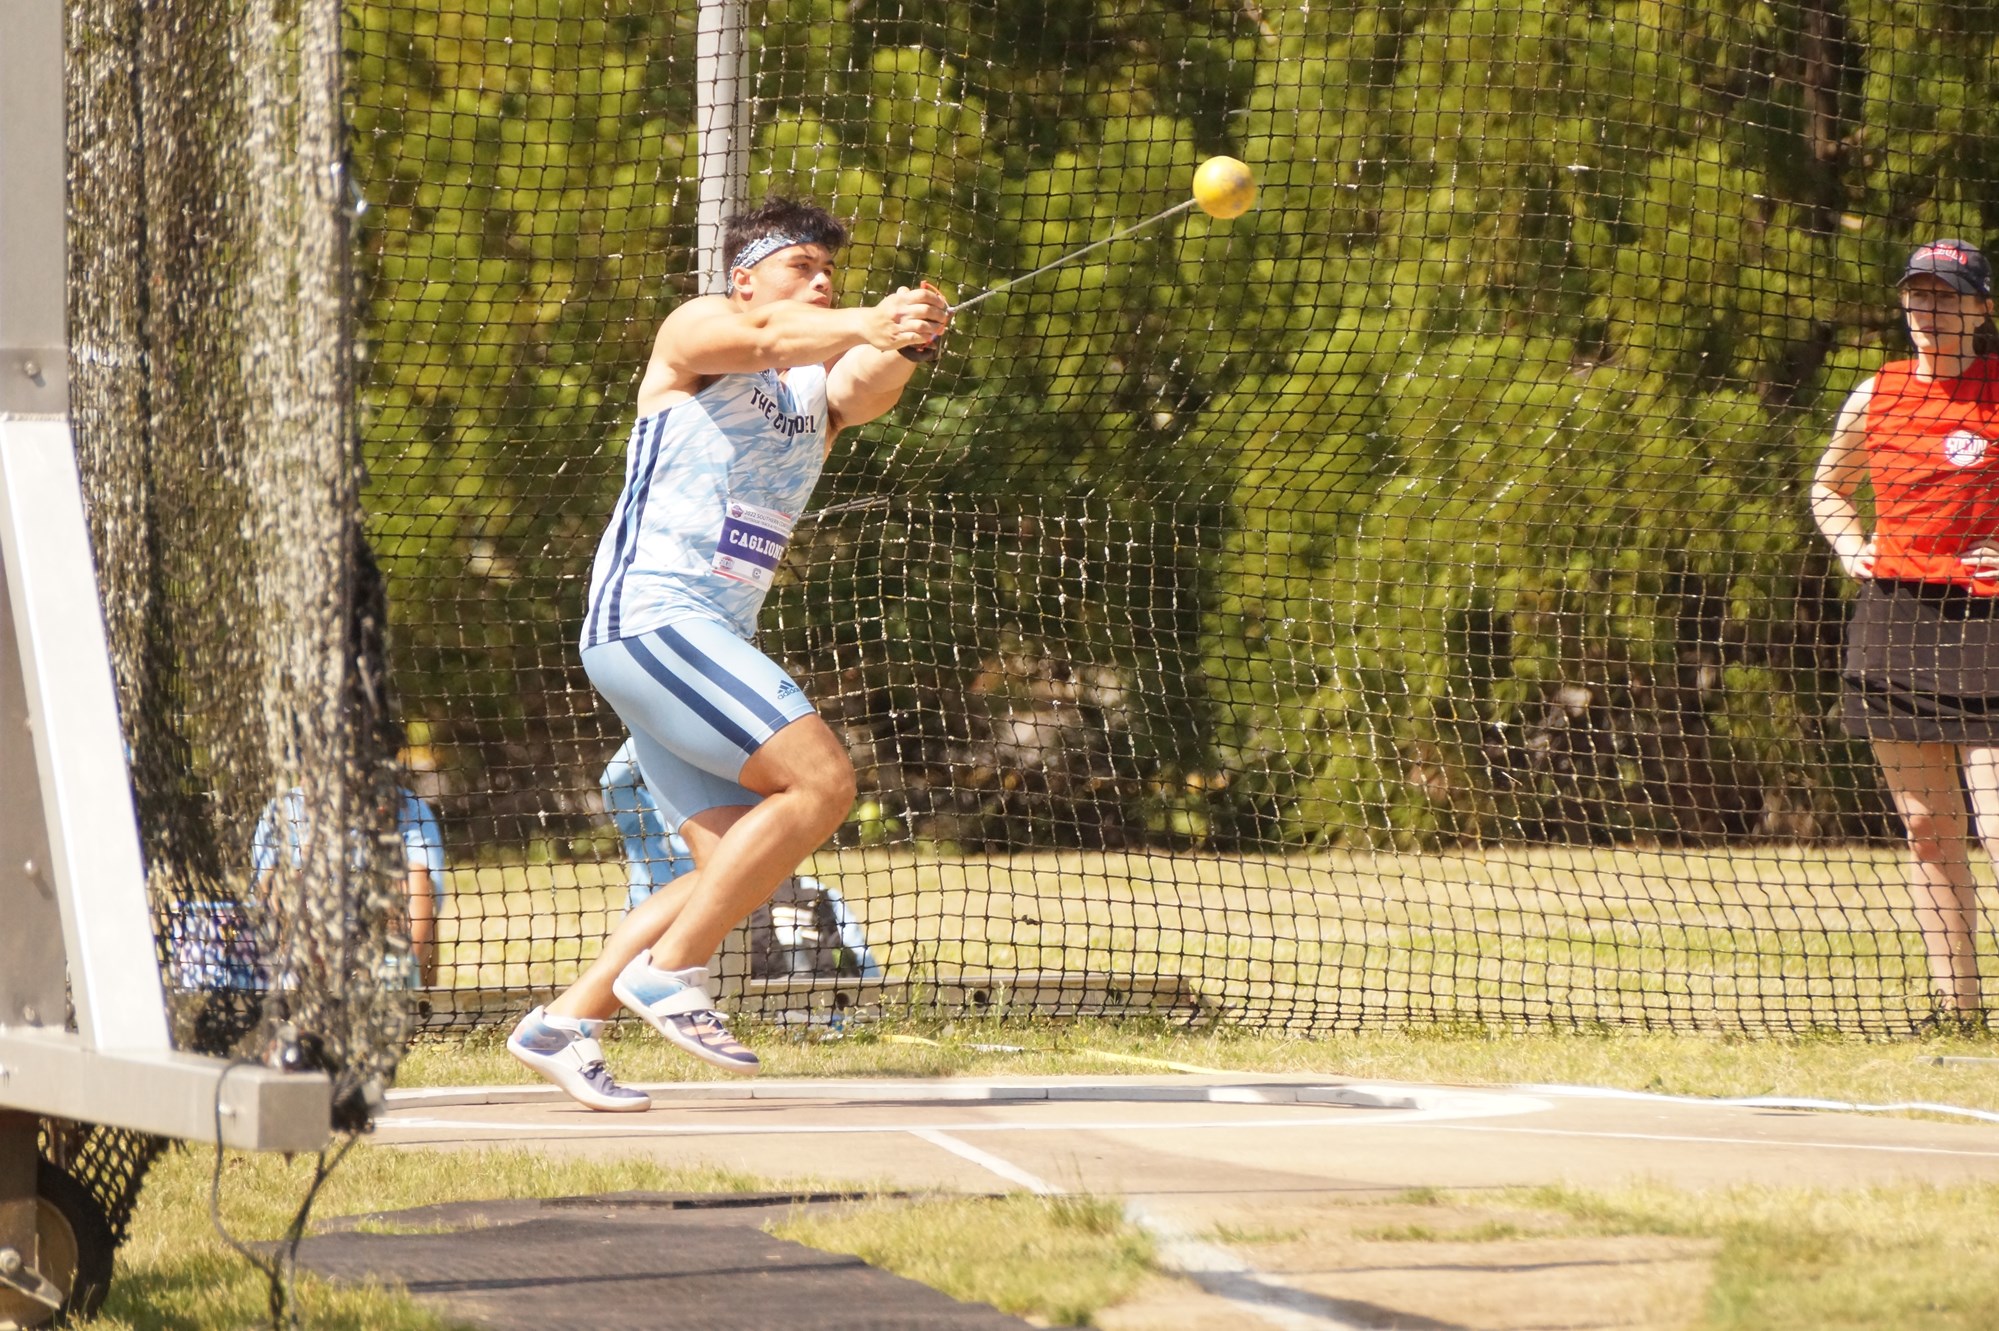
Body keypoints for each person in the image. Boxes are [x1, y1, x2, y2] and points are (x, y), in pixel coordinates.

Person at [506, 198, 946, 1110]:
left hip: (698, 638)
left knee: (741, 863)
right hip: (654, 619)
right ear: (746, 274)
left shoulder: (810, 395)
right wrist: (863, 316)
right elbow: (761, 334)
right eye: (802, 266)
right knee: (822, 785)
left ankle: (565, 1024)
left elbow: (861, 384)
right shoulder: (698, 331)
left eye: (832, 269)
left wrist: (904, 336)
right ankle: (674, 971)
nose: (822, 280)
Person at [1812, 237, 1999, 1026]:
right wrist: (1852, 546)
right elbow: (1828, 484)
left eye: (1948, 296)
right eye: (1917, 295)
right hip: (1893, 620)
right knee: (1927, 830)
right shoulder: (1875, 392)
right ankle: (1956, 1010)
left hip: (1988, 623)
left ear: (1980, 308)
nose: (1929, 311)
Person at [600, 736, 881, 974]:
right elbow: (614, 782)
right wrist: (662, 729)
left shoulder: (749, 810)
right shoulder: (649, 819)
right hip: (652, 946)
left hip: (741, 933)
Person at [251, 781, 448, 987]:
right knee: (289, 885)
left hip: (380, 955)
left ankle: (405, 994)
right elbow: (270, 903)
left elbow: (421, 902)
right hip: (306, 959)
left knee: (415, 894)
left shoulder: (407, 807)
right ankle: (315, 995)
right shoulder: (281, 810)